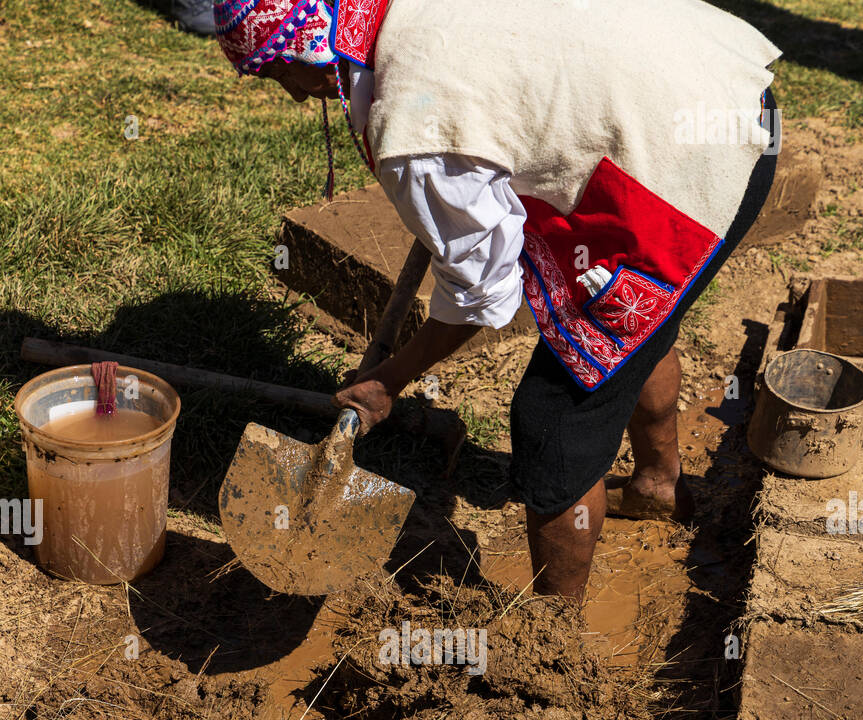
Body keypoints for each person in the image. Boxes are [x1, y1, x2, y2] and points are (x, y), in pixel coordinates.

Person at [214, 0, 782, 601]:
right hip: (718, 78)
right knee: (642, 329)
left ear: (310, 50)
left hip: (702, 157)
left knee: (553, 421)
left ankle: (552, 646)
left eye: (280, 75)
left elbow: (483, 296)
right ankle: (659, 487)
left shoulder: (414, 126)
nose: (300, 98)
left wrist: (389, 379)